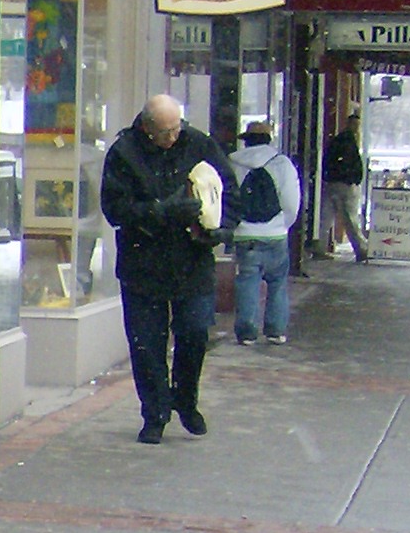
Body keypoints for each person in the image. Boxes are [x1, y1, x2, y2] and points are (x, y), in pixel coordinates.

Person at [100, 94, 232, 442]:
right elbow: (115, 209)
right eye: (164, 132)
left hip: (192, 260)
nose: (173, 137)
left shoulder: (198, 144)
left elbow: (228, 190)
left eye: (176, 129)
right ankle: (155, 412)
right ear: (147, 128)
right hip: (142, 263)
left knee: (195, 333)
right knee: (146, 343)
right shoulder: (124, 152)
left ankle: (185, 399)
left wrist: (222, 229)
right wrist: (159, 211)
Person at [226, 120, 300, 345]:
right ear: (268, 140)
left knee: (247, 282)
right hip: (275, 233)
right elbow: (291, 201)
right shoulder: (282, 163)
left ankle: (247, 332)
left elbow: (227, 198)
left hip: (244, 234)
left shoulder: (233, 163)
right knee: (277, 283)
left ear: (246, 140)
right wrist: (283, 224)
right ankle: (275, 330)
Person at [322, 111, 370, 261]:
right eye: (355, 125)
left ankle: (319, 245)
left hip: (334, 182)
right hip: (344, 184)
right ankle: (360, 249)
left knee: (327, 216)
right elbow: (350, 164)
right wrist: (352, 178)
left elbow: (329, 160)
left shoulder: (339, 140)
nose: (356, 128)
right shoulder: (348, 141)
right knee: (350, 218)